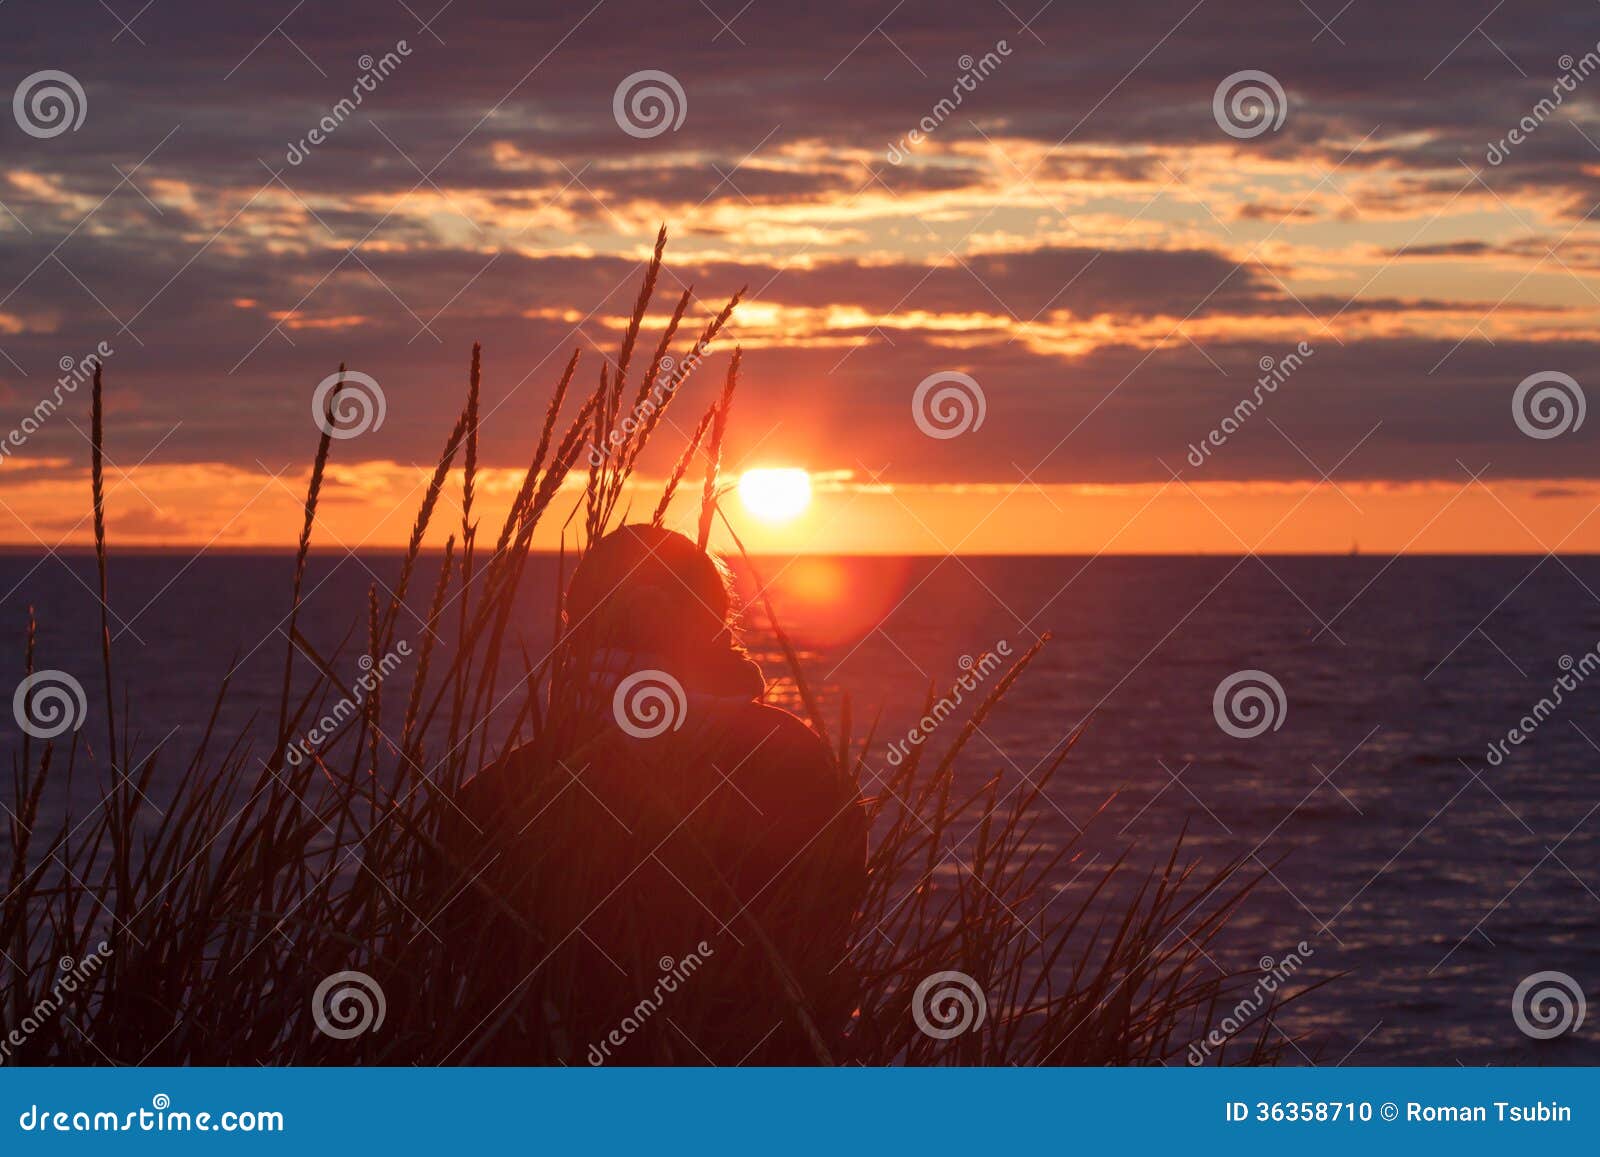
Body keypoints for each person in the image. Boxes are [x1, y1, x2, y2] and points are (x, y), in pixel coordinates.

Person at [443, 524, 866, 1064]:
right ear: (715, 628)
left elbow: (465, 973)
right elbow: (829, 929)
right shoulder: (791, 755)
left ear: (575, 632)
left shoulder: (500, 793)